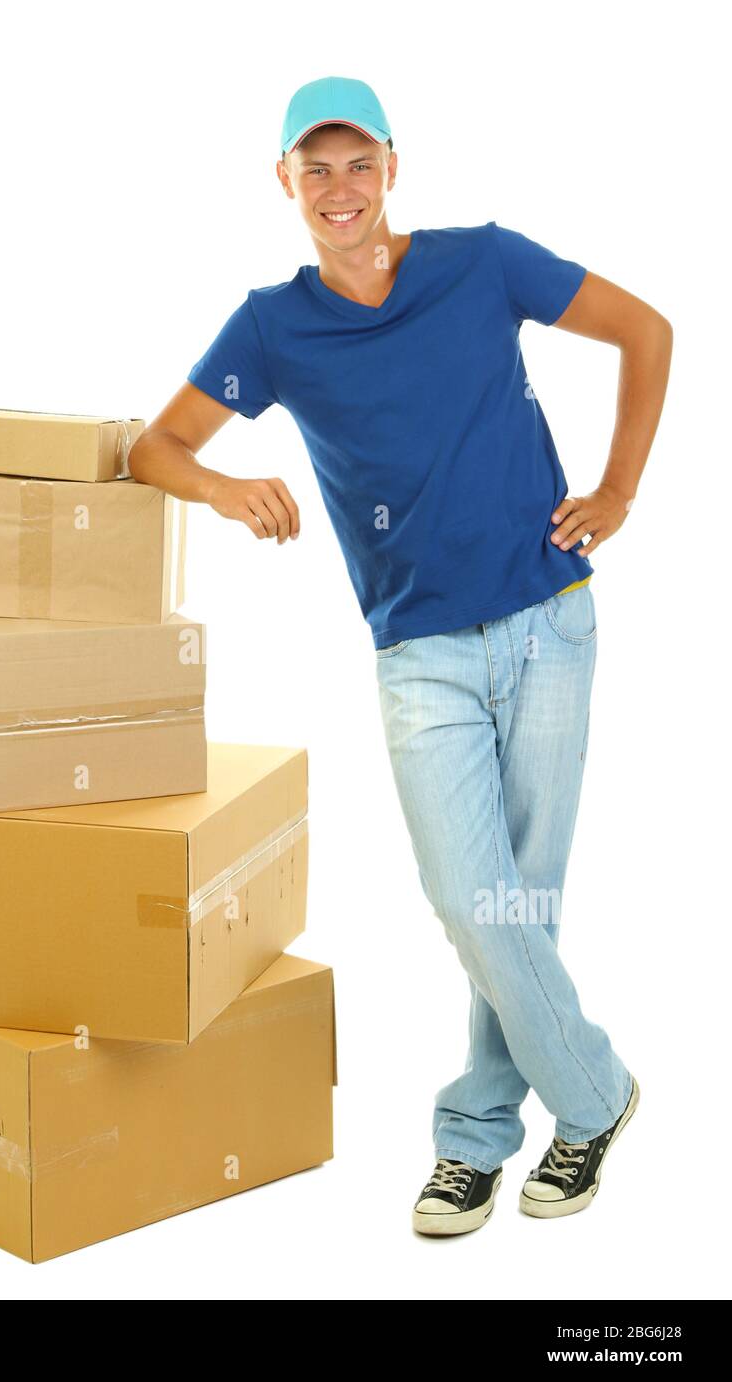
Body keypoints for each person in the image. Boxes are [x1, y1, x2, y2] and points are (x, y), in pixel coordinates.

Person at [127, 76, 672, 1237]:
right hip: (419, 652)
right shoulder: (272, 328)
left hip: (549, 622)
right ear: (283, 181)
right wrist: (225, 489)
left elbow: (645, 330)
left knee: (514, 901)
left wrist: (618, 489)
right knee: (473, 900)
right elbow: (153, 446)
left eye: (357, 162)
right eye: (313, 168)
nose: (339, 189)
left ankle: (475, 1134)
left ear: (392, 166)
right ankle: (597, 1094)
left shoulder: (482, 262)